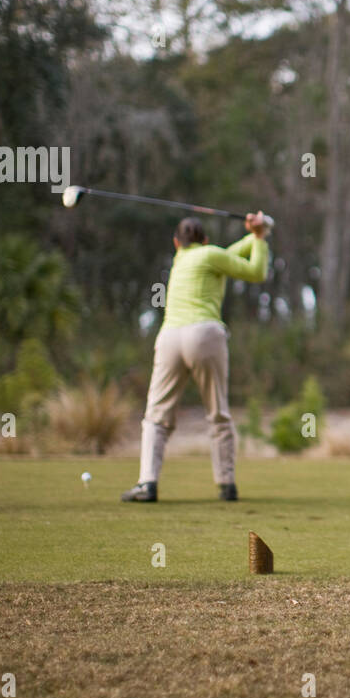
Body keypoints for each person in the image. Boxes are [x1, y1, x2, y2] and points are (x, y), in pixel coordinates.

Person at [120, 213, 270, 503]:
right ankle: (226, 484)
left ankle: (147, 483)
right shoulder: (211, 255)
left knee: (156, 415)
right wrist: (261, 237)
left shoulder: (180, 261)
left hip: (170, 337)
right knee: (217, 412)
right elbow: (256, 271)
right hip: (204, 334)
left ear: (177, 243)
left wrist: (254, 234)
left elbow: (228, 253)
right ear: (206, 240)